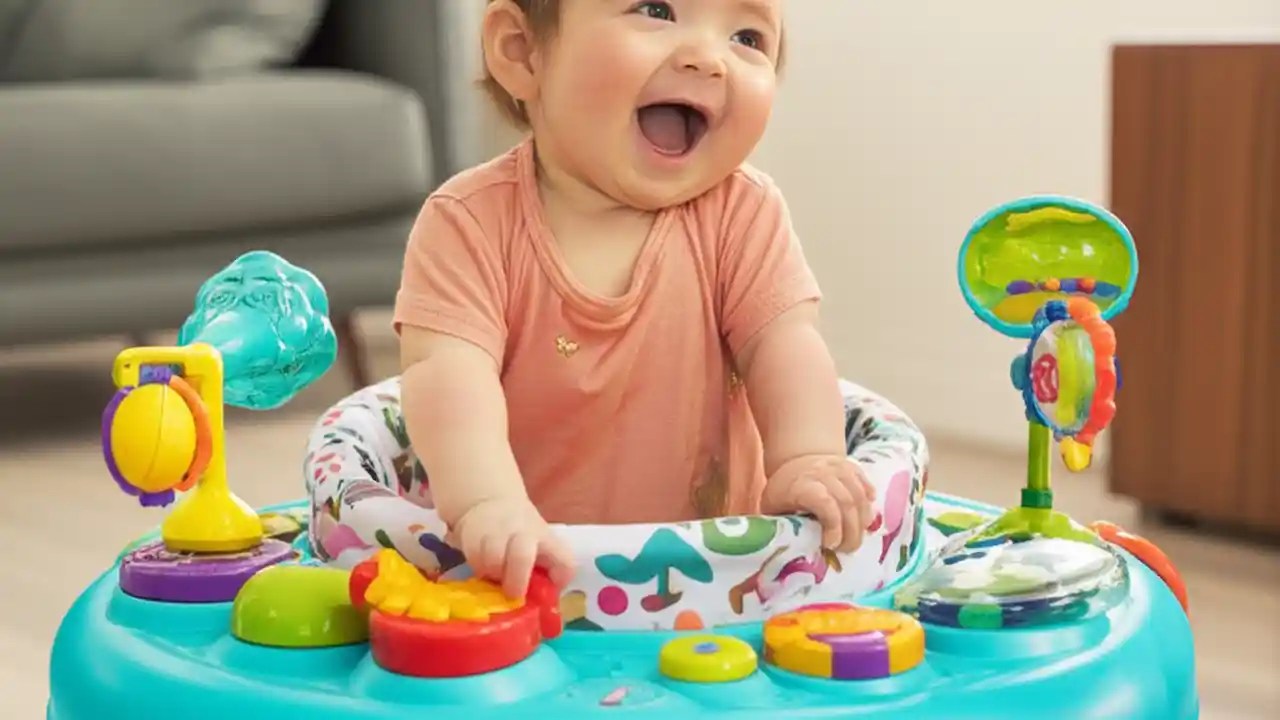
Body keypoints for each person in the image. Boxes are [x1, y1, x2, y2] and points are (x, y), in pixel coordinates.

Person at [392, 0, 873, 599]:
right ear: (522, 50)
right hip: (531, 581)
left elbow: (786, 344)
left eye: (748, 37)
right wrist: (487, 504)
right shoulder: (468, 224)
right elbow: (446, 376)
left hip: (717, 581)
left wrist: (805, 456)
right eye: (657, 10)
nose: (708, 58)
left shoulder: (742, 212)